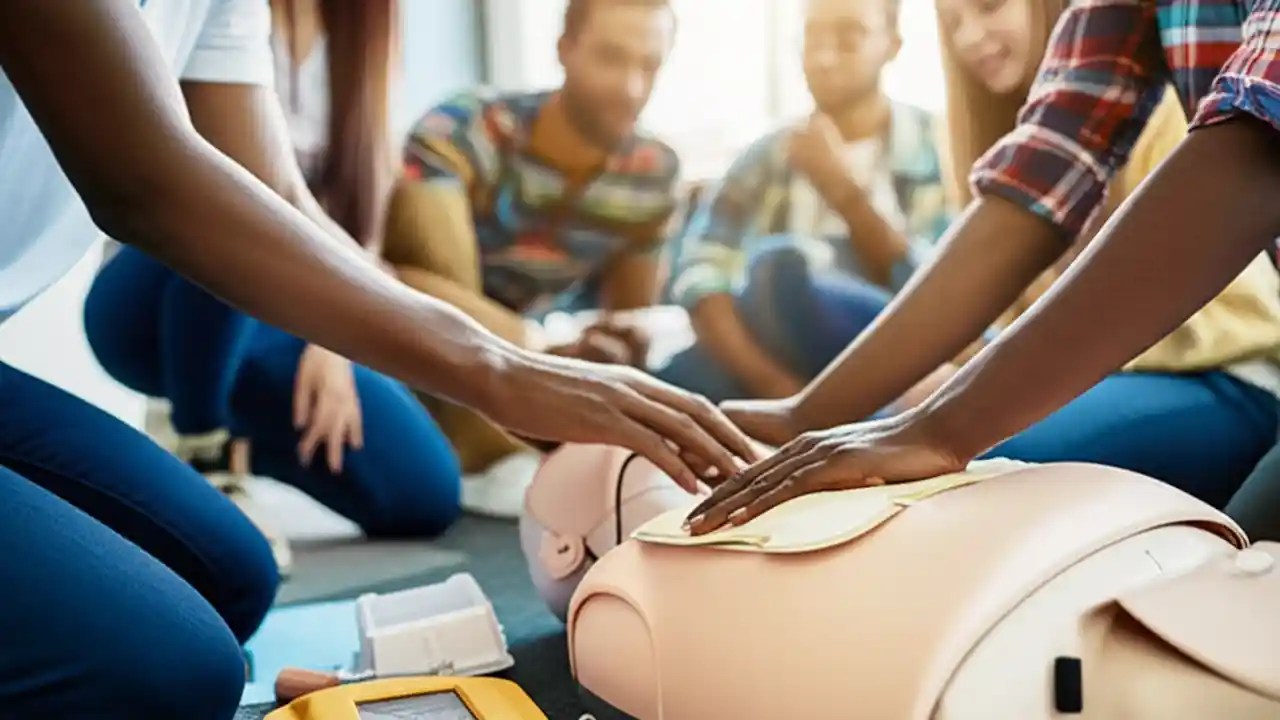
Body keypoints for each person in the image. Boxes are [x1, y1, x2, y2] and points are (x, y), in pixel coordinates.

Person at [0, 2, 755, 717]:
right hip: (155, 291)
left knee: (235, 576)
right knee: (178, 676)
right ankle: (202, 437)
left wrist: (470, 363)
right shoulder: (475, 125)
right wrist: (504, 368)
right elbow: (153, 182)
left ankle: (225, 437)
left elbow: (282, 195)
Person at [685, 0, 1280, 536]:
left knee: (1230, 608)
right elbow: (1042, 176)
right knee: (776, 278)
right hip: (1112, 367)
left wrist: (937, 428)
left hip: (1232, 371)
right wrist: (810, 415)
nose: (972, 37)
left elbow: (1256, 151)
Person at [83, 0, 433, 574]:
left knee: (421, 496)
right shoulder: (221, 14)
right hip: (150, 300)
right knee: (239, 201)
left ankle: (218, 435)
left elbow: (363, 219)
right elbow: (201, 193)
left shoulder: (366, 30)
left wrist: (334, 338)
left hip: (283, 312)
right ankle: (205, 450)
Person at [382, 0, 683, 510]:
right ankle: (489, 449)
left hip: (524, 357)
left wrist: (607, 346)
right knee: (413, 245)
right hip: (400, 333)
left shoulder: (653, 173)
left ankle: (515, 438)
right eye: (612, 58)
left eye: (649, 65)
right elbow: (401, 279)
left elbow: (625, 318)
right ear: (564, 49)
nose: (631, 87)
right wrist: (537, 346)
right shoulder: (466, 125)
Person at [654, 0, 948, 403]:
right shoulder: (764, 157)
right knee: (671, 379)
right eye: (813, 37)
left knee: (782, 272)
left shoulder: (937, 149)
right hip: (773, 359)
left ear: (892, 44)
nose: (824, 57)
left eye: (849, 37)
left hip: (891, 351)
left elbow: (944, 293)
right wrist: (780, 393)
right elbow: (699, 275)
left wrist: (845, 193)